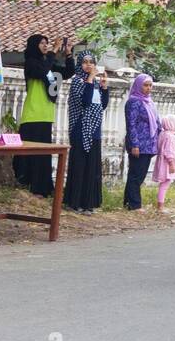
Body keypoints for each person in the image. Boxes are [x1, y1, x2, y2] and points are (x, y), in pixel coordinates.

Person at [15, 34, 72, 196]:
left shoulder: (49, 65)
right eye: (42, 43)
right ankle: (26, 184)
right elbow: (42, 69)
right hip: (32, 114)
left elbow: (68, 72)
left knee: (43, 155)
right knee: (30, 154)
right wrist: (53, 51)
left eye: (47, 43)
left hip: (46, 114)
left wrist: (68, 54)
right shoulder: (31, 63)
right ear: (34, 45)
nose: (45, 45)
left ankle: (43, 188)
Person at [64, 51, 110, 214]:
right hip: (80, 128)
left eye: (91, 62)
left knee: (92, 168)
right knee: (79, 166)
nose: (88, 65)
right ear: (79, 64)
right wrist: (90, 80)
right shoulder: (77, 81)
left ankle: (88, 203)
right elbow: (84, 101)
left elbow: (101, 105)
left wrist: (104, 88)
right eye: (85, 62)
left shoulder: (95, 83)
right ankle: (74, 202)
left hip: (95, 130)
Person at [123, 73, 159, 210]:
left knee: (138, 174)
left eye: (150, 85)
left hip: (148, 144)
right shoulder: (134, 102)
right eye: (145, 85)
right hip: (138, 144)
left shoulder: (149, 102)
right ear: (138, 85)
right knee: (136, 175)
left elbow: (156, 122)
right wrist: (135, 144)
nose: (148, 88)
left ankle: (128, 202)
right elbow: (131, 124)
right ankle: (134, 205)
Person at [153, 114, 175, 213]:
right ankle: (160, 206)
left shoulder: (163, 134)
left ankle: (160, 205)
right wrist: (171, 165)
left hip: (162, 162)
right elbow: (169, 152)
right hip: (167, 164)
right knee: (165, 184)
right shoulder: (171, 137)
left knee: (164, 183)